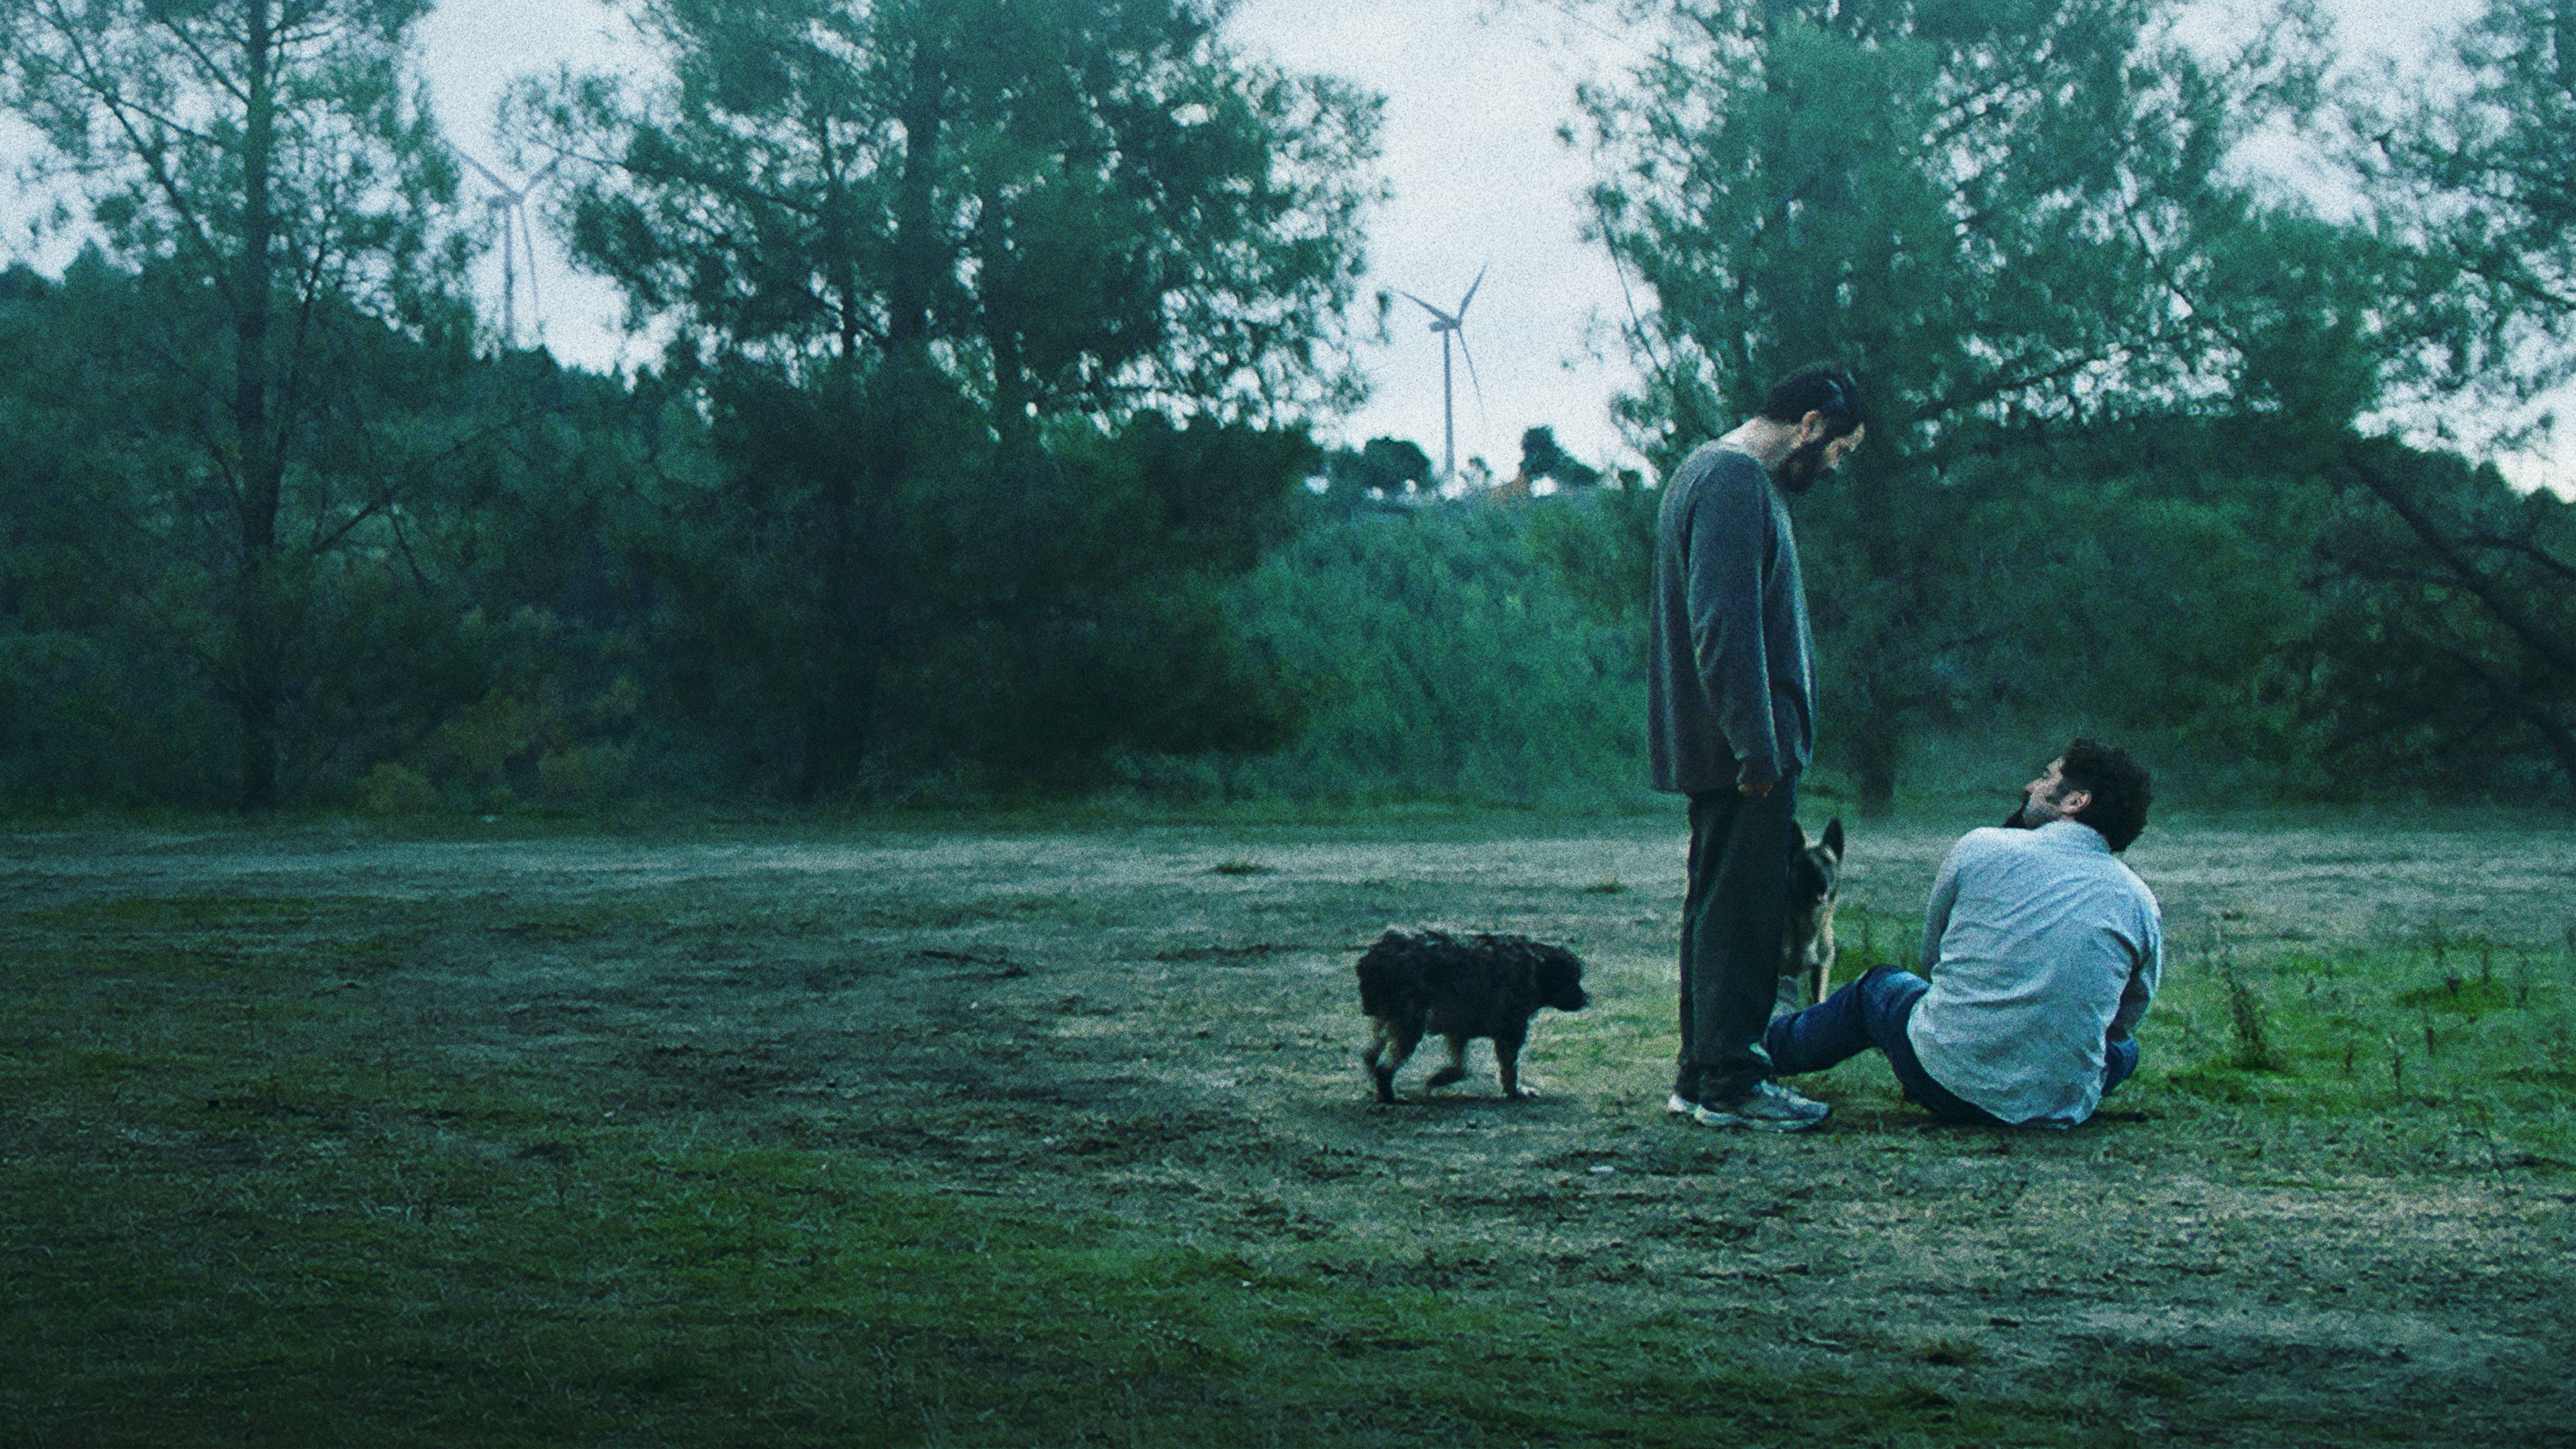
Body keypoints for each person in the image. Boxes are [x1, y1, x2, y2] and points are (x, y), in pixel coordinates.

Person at [1651, 366, 1866, 1132]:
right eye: (1839, 448)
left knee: (1719, 911)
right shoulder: (1737, 482)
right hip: (1748, 754)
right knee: (1742, 918)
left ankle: (1702, 1075)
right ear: (1810, 426)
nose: (1835, 466)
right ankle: (1732, 1081)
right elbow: (1724, 628)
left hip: (1740, 750)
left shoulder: (1711, 475)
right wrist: (1757, 747)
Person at [1765, 740, 2163, 1128]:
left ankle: (1769, 1046)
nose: (2030, 787)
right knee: (2125, 1051)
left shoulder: (1980, 846)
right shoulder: (2141, 901)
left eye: (2046, 778)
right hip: (2057, 1106)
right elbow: (2121, 1022)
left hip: (1944, 1080)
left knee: (1878, 987)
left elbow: (1931, 962)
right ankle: (2040, 1087)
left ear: (2075, 801)